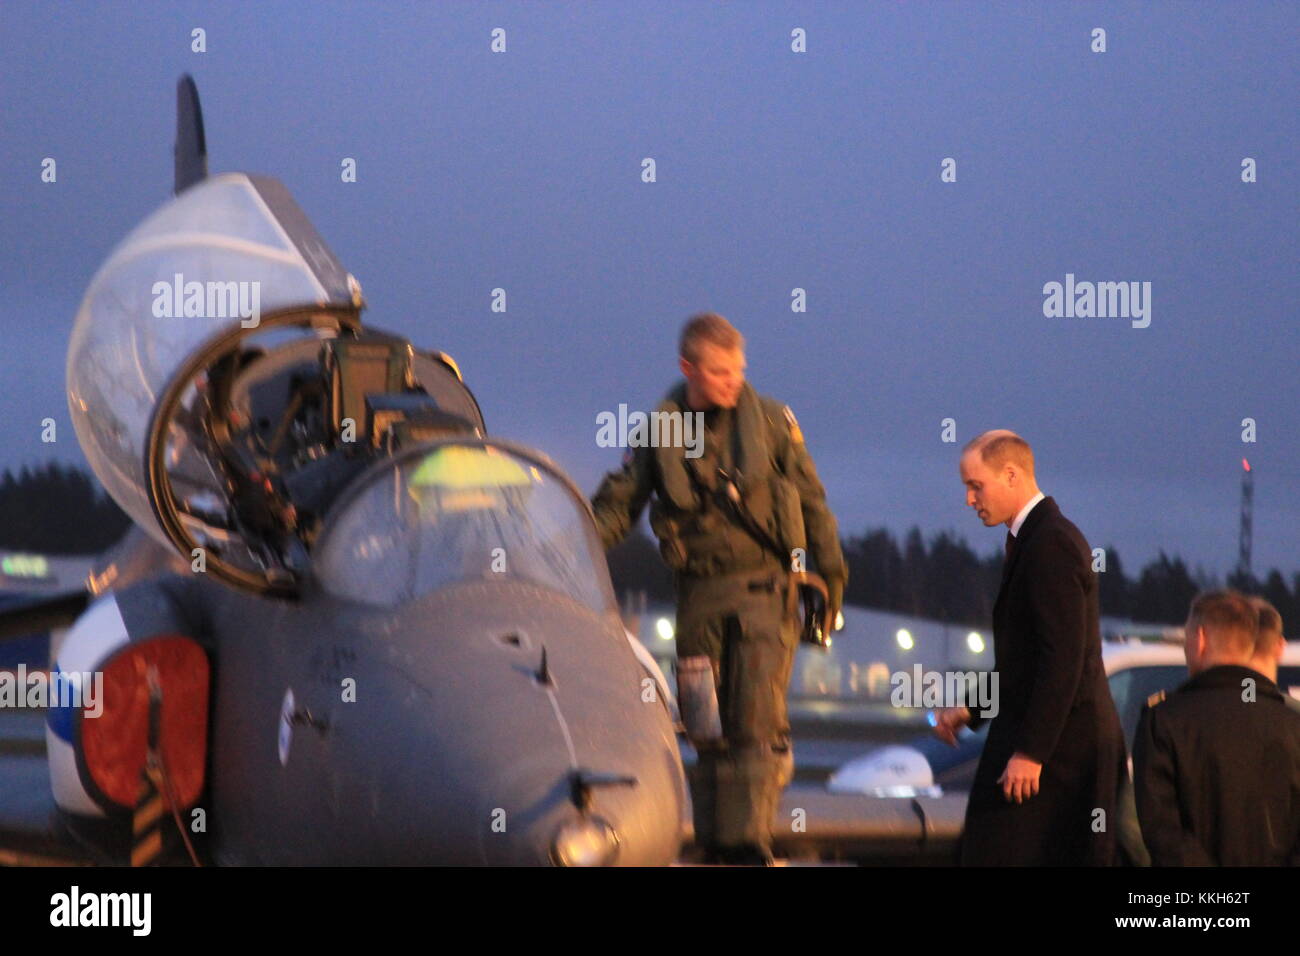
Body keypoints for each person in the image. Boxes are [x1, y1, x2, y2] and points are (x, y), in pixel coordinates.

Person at [590, 312, 846, 865]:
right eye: (721, 371)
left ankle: (748, 848)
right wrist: (566, 542)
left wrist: (831, 580)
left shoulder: (773, 424)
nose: (734, 380)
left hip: (764, 597)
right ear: (689, 369)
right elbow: (618, 506)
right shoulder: (661, 432)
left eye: (739, 370)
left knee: (754, 728)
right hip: (699, 601)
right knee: (706, 728)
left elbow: (812, 503)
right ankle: (713, 846)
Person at [933, 430, 1125, 865]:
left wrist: (1031, 752)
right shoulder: (1037, 539)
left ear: (1012, 475)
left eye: (975, 485)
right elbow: (1026, 661)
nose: (969, 499)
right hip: (1050, 749)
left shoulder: (1050, 544)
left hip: (1060, 755)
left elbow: (1062, 659)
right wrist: (972, 709)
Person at [1133, 590, 1300, 865]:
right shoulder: (1292, 726)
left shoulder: (1163, 721)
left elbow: (1163, 833)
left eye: (1187, 638)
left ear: (1200, 640)